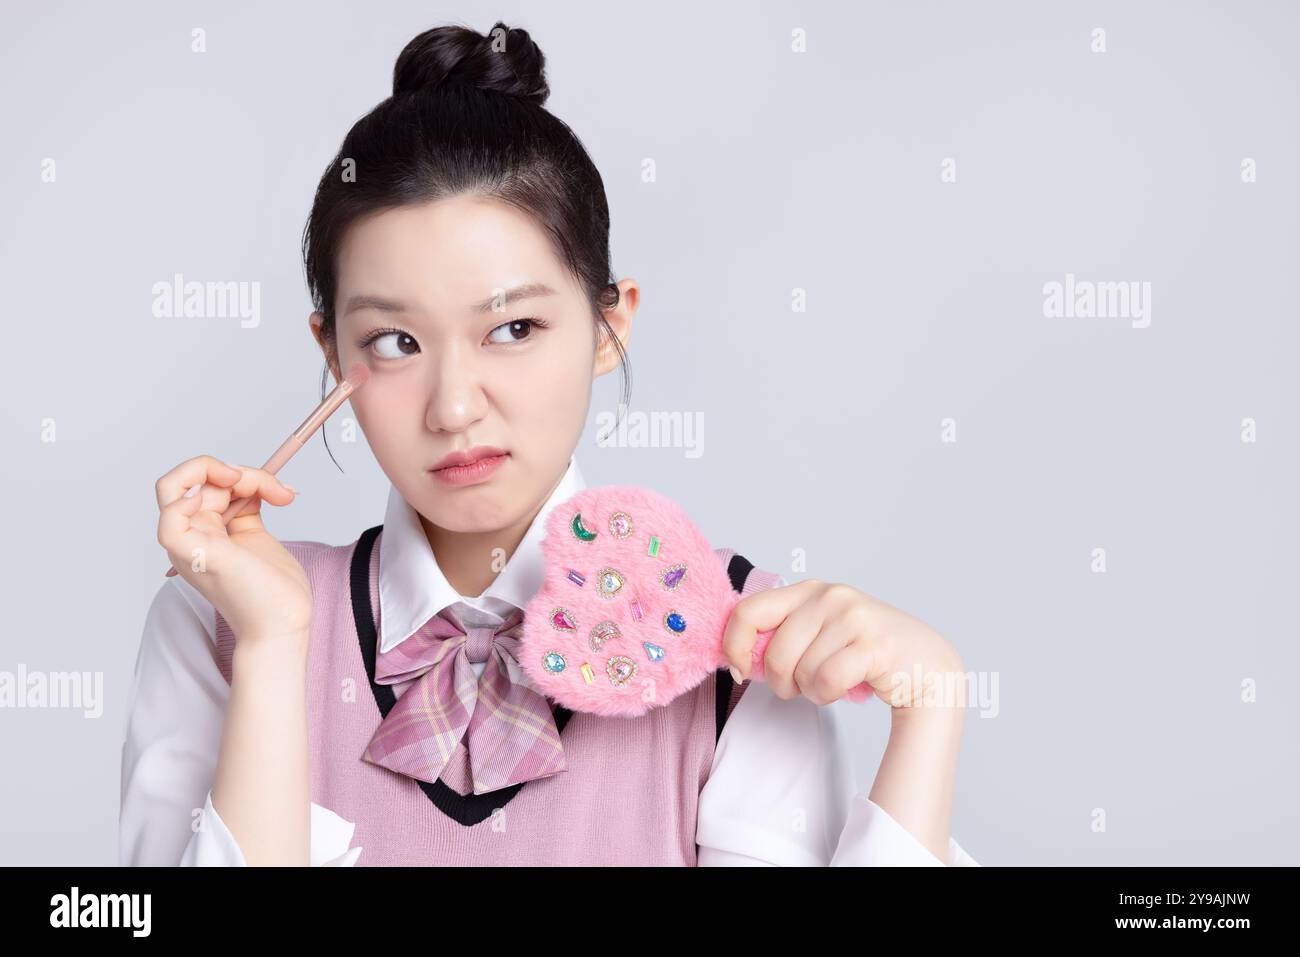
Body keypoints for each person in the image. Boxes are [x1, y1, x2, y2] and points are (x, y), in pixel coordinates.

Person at [120, 20, 979, 867]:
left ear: (611, 327)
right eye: (394, 342)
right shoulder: (221, 620)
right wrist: (274, 650)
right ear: (333, 352)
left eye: (515, 326)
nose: (454, 407)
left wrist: (933, 705)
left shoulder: (732, 638)